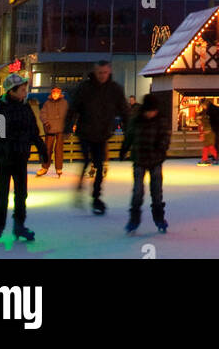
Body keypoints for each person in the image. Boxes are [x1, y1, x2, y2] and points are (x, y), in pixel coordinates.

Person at [0, 74, 49, 242]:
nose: (25, 93)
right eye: (22, 90)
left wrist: (43, 151)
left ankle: (19, 225)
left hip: (20, 158)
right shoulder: (1, 111)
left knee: (21, 194)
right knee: (2, 194)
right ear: (12, 91)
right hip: (4, 160)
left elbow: (34, 132)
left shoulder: (26, 109)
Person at [66, 59, 129, 214]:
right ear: (95, 72)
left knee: (100, 166)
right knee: (86, 161)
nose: (102, 76)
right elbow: (73, 108)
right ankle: (80, 187)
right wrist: (67, 127)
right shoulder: (85, 88)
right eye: (99, 73)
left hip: (102, 133)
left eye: (105, 73)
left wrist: (129, 130)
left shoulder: (115, 89)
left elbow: (124, 111)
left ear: (109, 72)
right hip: (85, 132)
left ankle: (96, 197)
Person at [120, 93, 169, 234]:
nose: (151, 114)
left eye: (153, 111)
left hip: (155, 161)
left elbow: (165, 139)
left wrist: (161, 151)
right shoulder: (136, 120)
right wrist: (124, 150)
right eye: (149, 111)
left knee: (157, 192)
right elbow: (129, 136)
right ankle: (134, 220)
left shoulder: (161, 121)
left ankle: (159, 218)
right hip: (139, 159)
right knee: (137, 192)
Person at [37, 87, 68, 177]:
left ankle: (59, 168)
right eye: (54, 93)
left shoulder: (64, 103)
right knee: (47, 149)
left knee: (59, 149)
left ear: (60, 94)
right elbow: (42, 114)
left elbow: (69, 114)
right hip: (50, 128)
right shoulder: (47, 103)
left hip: (60, 128)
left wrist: (69, 125)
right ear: (51, 94)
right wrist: (46, 122)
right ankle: (44, 167)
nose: (55, 95)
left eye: (57, 93)